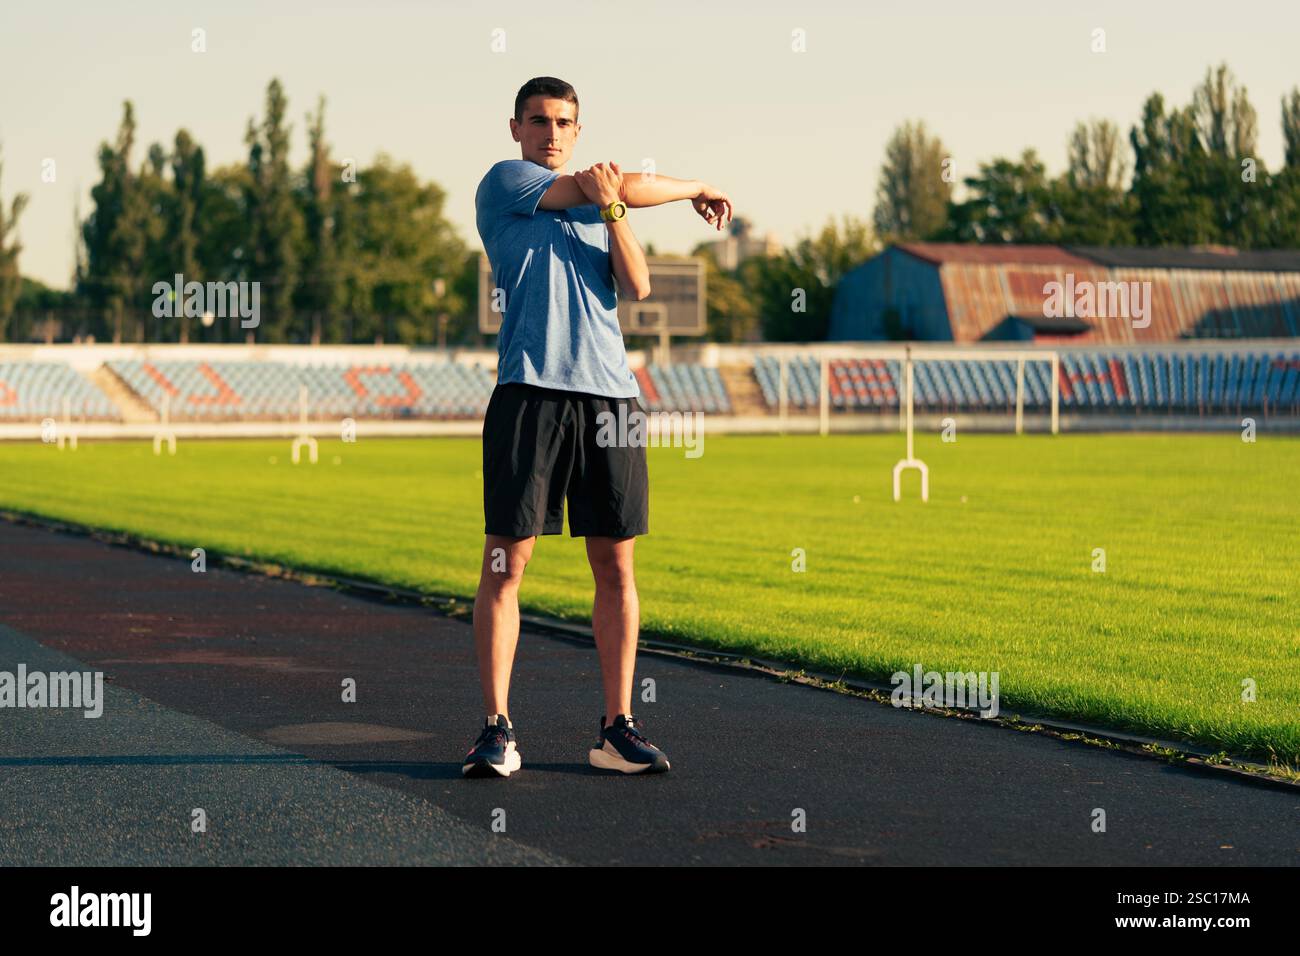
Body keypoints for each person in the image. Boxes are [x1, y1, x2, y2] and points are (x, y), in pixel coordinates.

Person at [462, 76, 733, 778]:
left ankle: (617, 728)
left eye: (564, 123)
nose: (550, 133)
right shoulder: (507, 184)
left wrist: (621, 207)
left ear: (578, 132)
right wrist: (683, 187)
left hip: (609, 401)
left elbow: (637, 285)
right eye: (539, 121)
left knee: (616, 564)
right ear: (516, 128)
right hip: (531, 393)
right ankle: (497, 729)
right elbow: (611, 185)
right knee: (507, 561)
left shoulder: (598, 203)